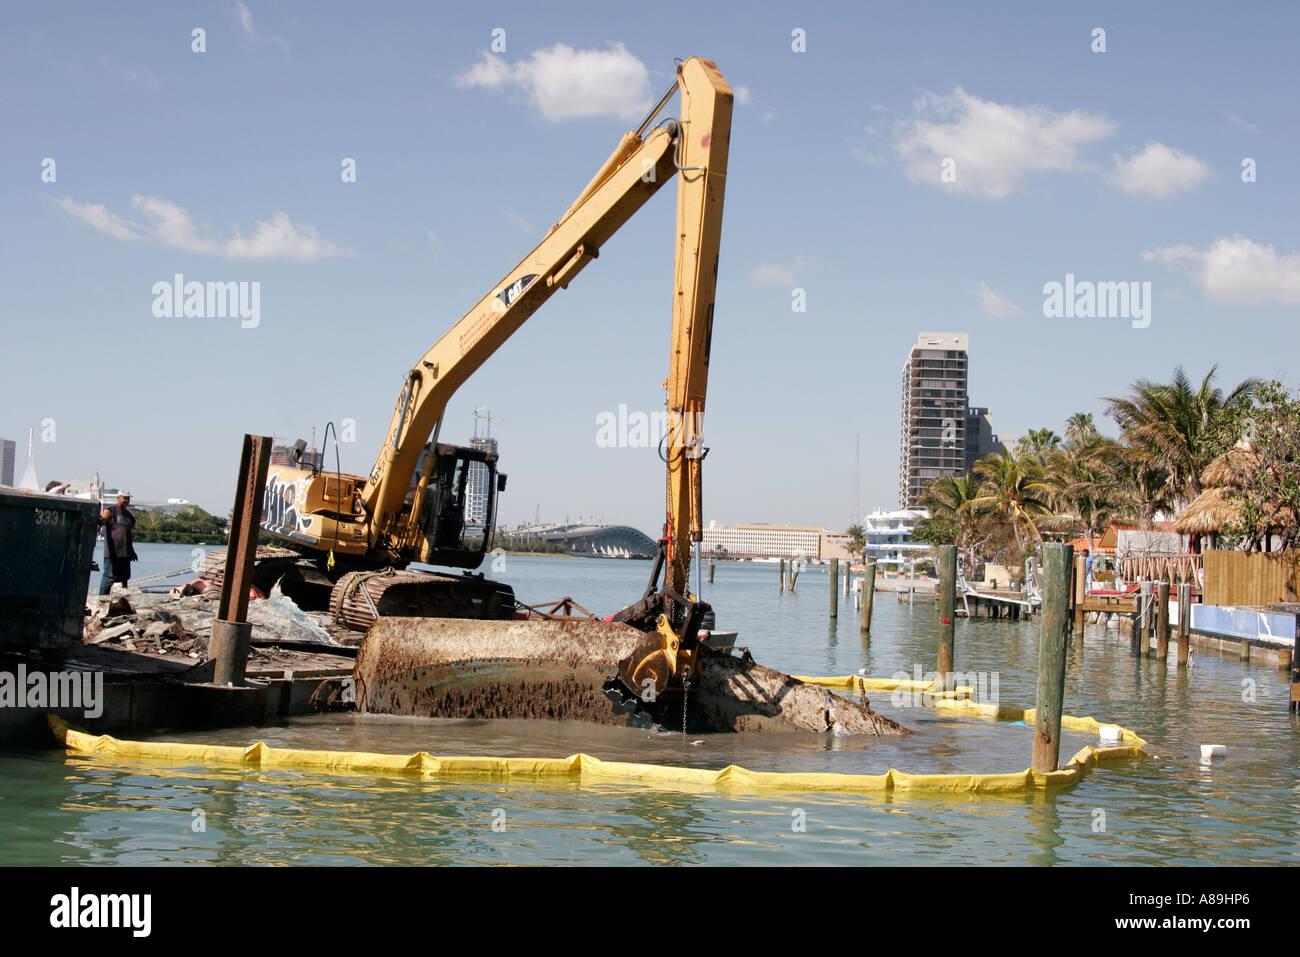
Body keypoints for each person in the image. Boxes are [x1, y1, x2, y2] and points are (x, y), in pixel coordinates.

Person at [99, 491, 138, 595]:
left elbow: (128, 534)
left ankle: (121, 599)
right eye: (124, 498)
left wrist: (132, 552)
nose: (126, 501)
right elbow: (103, 519)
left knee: (124, 578)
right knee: (109, 576)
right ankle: (102, 599)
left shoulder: (129, 516)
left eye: (128, 498)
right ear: (118, 498)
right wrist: (100, 522)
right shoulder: (111, 510)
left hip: (125, 553)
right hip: (112, 552)